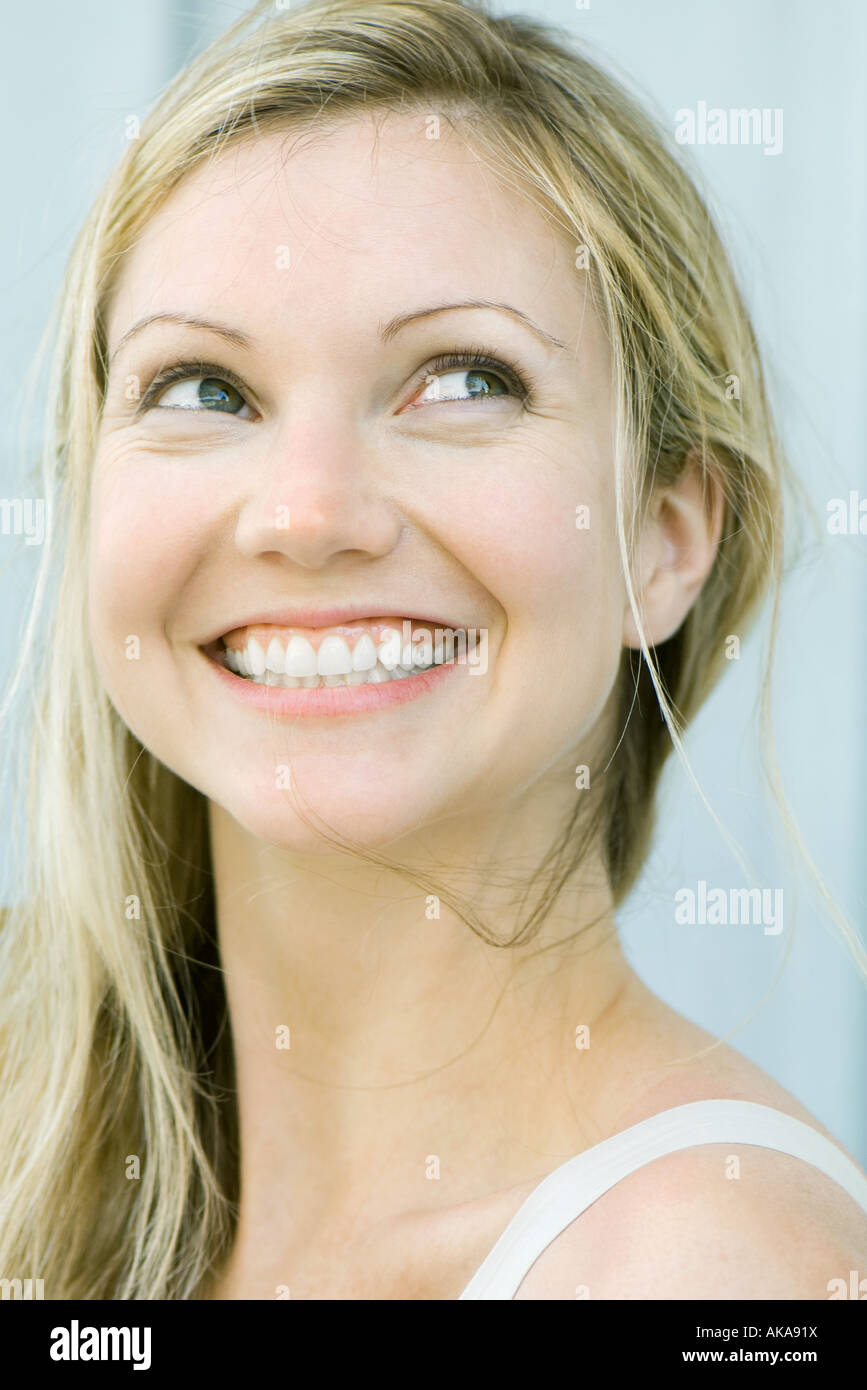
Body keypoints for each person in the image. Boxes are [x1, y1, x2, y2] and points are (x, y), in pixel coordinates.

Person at [1, 0, 864, 1300]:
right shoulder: (40, 1165)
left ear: (665, 536)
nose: (307, 514)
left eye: (464, 380)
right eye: (204, 390)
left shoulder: (712, 1271)